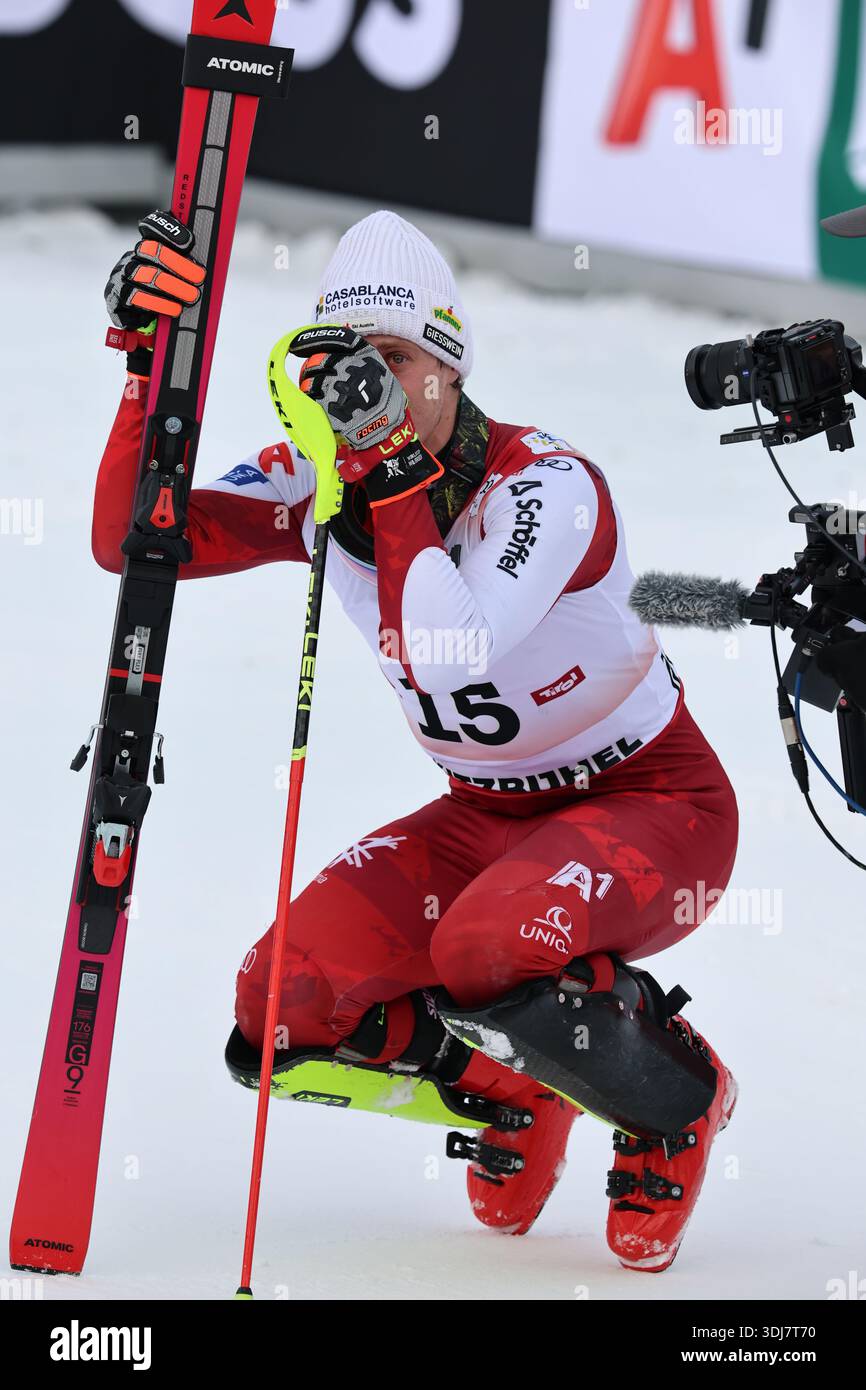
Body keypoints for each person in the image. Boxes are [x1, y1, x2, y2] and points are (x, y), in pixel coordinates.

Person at [96, 208, 739, 1271]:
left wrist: (387, 472)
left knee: (485, 948)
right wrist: (143, 364)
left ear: (446, 368)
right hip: (486, 815)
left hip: (650, 805)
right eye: (346, 364)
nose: (367, 390)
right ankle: (515, 1088)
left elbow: (447, 646)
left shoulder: (544, 488)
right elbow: (134, 535)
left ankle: (672, 1100)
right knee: (278, 1002)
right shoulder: (325, 476)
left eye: (393, 361)